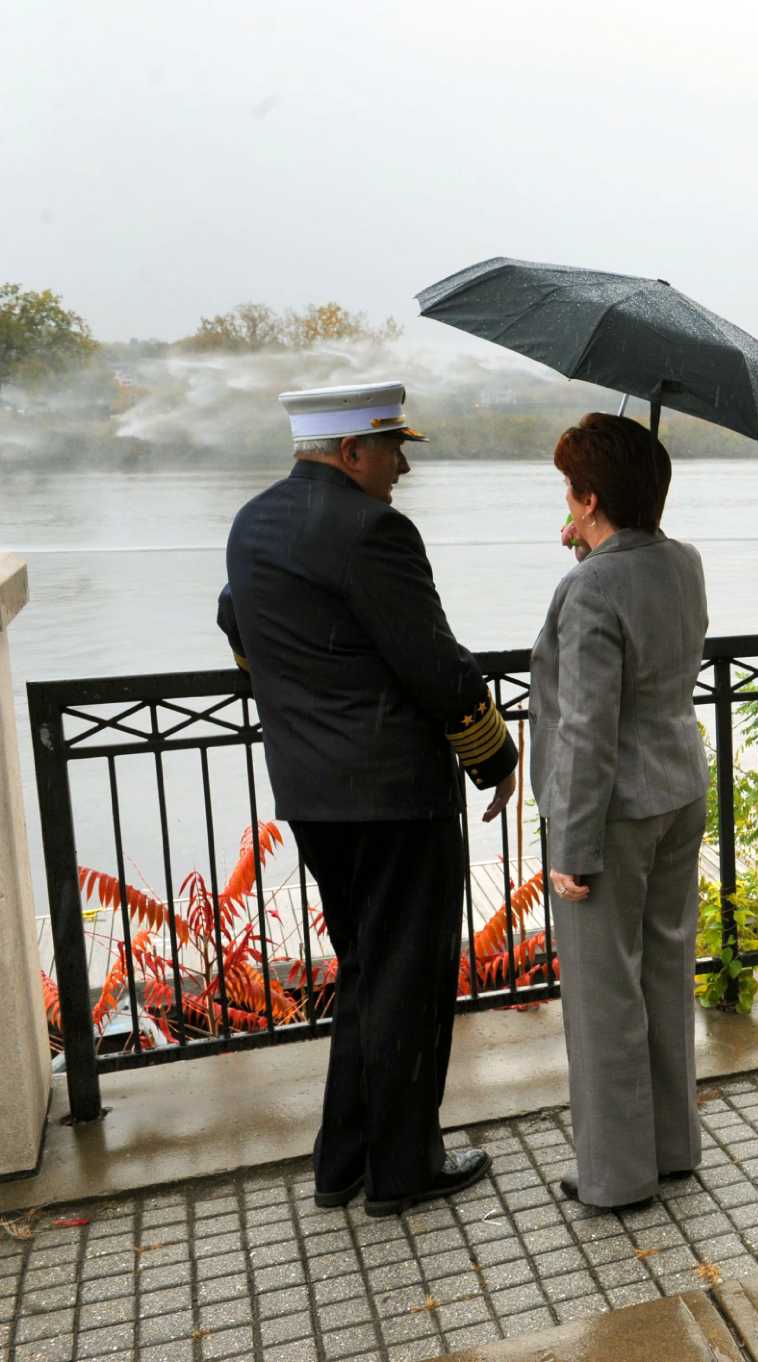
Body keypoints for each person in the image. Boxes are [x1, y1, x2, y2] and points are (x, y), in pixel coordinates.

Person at [217, 381, 517, 1217]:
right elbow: (432, 660)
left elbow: (236, 623)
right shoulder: (374, 529)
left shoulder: (251, 523)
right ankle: (405, 1169)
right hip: (395, 799)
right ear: (351, 453)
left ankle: (341, 1162)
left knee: (364, 970)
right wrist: (494, 755)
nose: (403, 469)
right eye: (393, 450)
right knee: (409, 977)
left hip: (310, 795)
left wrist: (295, 697)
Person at [529, 412, 709, 1209]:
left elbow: (585, 725)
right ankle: (671, 1148)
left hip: (612, 811)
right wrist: (595, 552)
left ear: (591, 497)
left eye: (570, 491)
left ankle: (615, 1175)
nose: (566, 504)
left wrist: (570, 846)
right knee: (665, 971)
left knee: (604, 993)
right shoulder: (684, 562)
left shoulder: (590, 587)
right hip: (679, 786)